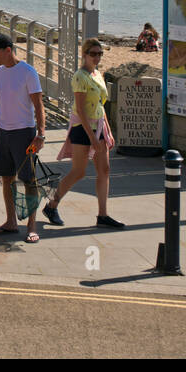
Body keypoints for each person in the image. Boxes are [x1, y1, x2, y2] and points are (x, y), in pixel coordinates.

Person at [44, 39, 124, 230]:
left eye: (100, 54)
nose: (97, 57)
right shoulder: (80, 76)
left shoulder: (97, 74)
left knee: (104, 170)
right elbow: (80, 109)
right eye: (93, 54)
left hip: (100, 125)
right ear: (85, 54)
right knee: (78, 171)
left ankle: (103, 215)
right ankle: (52, 205)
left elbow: (100, 105)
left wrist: (108, 131)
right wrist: (92, 138)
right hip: (83, 127)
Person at [0, 35, 46, 243]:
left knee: (28, 179)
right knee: (6, 177)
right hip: (3, 131)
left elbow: (38, 105)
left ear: (8, 50)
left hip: (24, 132)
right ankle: (11, 221)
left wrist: (41, 135)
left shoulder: (28, 72)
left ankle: (32, 225)